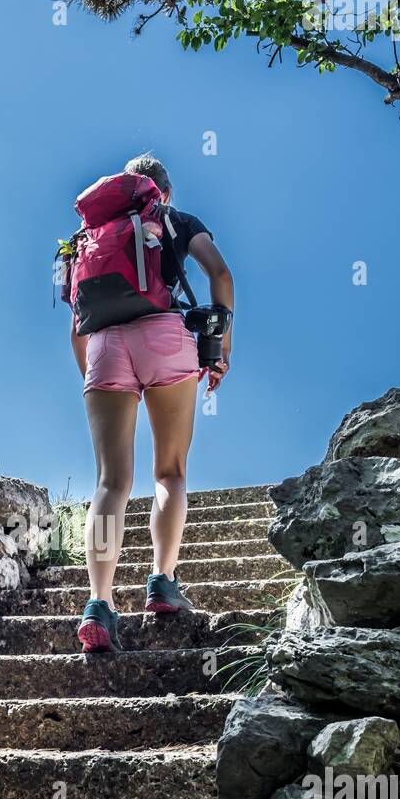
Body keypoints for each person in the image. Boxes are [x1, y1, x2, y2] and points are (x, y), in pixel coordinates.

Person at [71, 153, 234, 653]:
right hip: (166, 336)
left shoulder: (87, 237)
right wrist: (220, 349)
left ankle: (99, 604)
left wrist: (98, 375)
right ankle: (163, 582)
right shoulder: (174, 219)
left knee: (110, 481)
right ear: (163, 190)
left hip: (102, 345)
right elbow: (220, 275)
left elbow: (76, 322)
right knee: (169, 472)